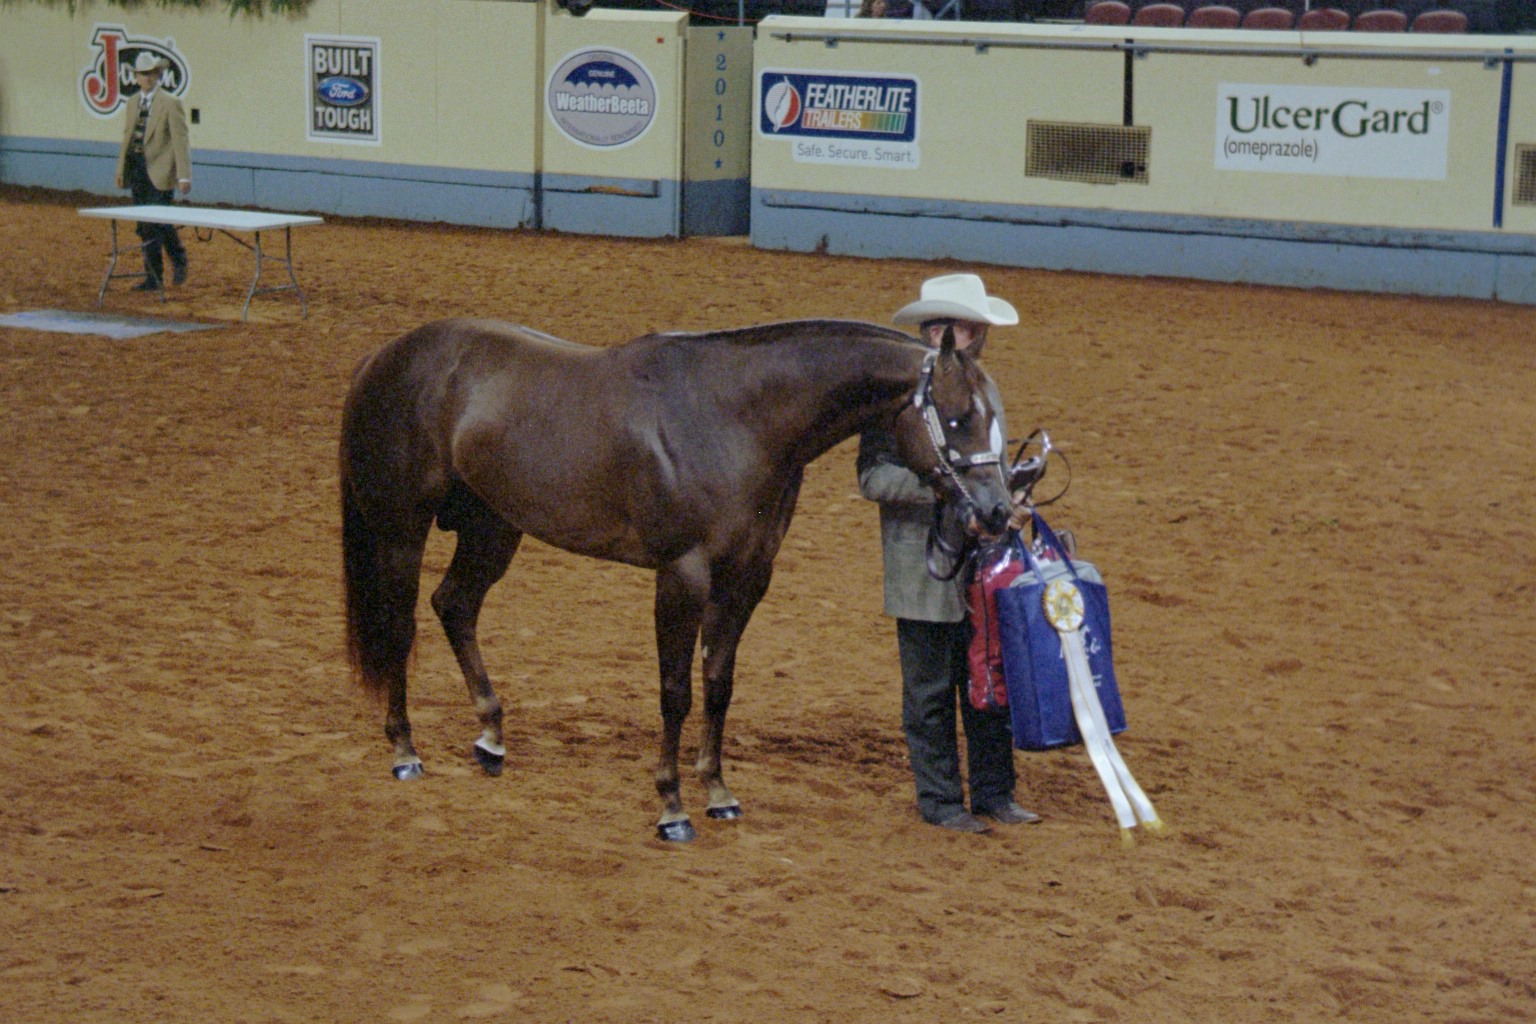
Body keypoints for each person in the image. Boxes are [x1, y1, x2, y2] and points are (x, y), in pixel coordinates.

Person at [857, 273, 1041, 834]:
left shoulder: (988, 392)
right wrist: (944, 494)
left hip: (985, 563)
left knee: (990, 684)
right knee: (931, 690)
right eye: (936, 325)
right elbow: (873, 479)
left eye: (956, 326)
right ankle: (939, 800)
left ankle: (994, 792)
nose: (944, 335)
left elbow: (992, 472)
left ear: (979, 332)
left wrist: (1014, 498)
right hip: (922, 566)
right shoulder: (897, 399)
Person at [114, 52, 191, 291]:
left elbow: (180, 139)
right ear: (136, 77)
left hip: (160, 171)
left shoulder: (170, 103)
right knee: (145, 225)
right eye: (142, 74)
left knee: (161, 221)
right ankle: (153, 276)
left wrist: (183, 174)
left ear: (157, 75)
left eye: (150, 73)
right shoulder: (132, 103)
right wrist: (121, 169)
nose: (146, 78)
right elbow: (127, 138)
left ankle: (178, 259)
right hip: (138, 170)